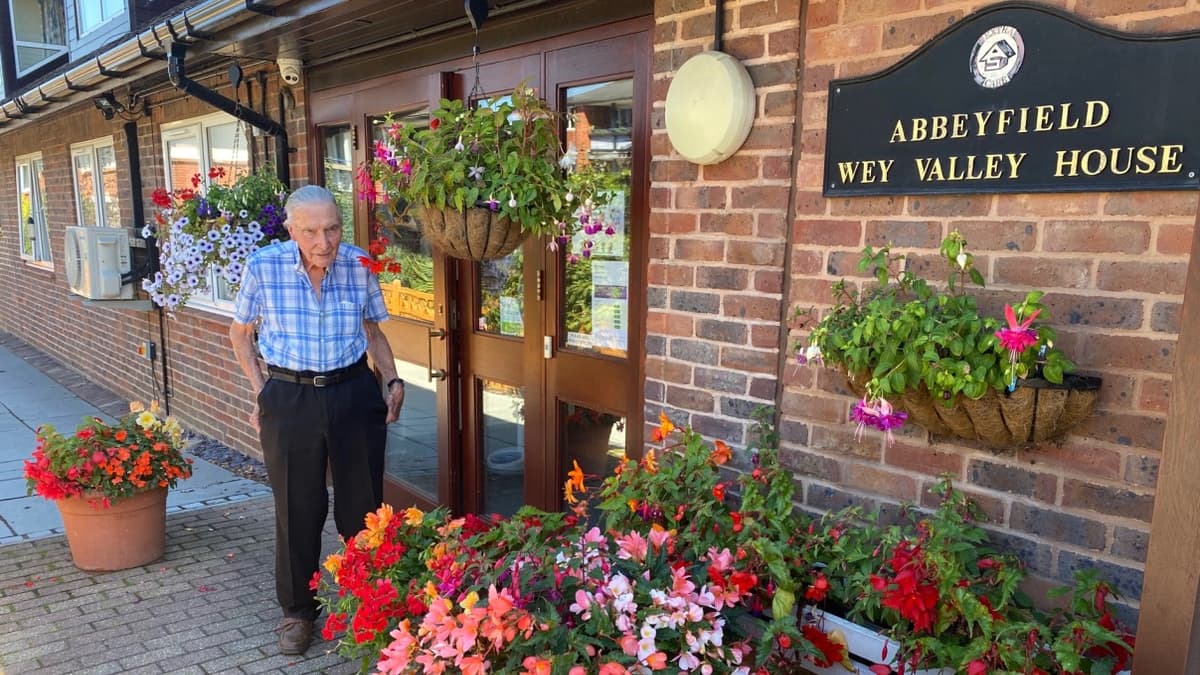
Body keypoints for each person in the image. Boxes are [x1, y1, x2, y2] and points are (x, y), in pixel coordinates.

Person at [229, 184, 405, 656]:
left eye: (333, 228)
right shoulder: (262, 267)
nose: (324, 242)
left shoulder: (358, 262)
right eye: (311, 231)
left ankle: (370, 598)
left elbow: (373, 330)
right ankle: (298, 612)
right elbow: (240, 335)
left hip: (352, 391)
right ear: (291, 229)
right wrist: (263, 392)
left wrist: (391, 380)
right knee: (297, 507)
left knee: (364, 507)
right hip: (289, 396)